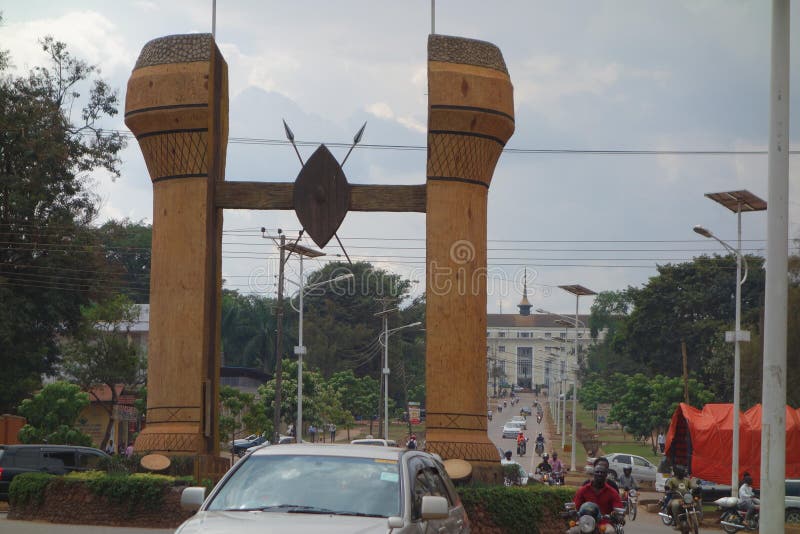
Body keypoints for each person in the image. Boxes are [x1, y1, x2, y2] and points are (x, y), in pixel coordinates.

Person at [568, 458, 624, 534]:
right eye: (597, 472)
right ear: (593, 473)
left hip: (604, 523)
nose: (599, 474)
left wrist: (617, 515)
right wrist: (572, 512)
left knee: (610, 532)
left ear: (606, 475)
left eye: (602, 472)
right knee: (572, 532)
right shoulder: (583, 490)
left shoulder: (612, 492)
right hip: (585, 522)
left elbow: (618, 508)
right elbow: (575, 506)